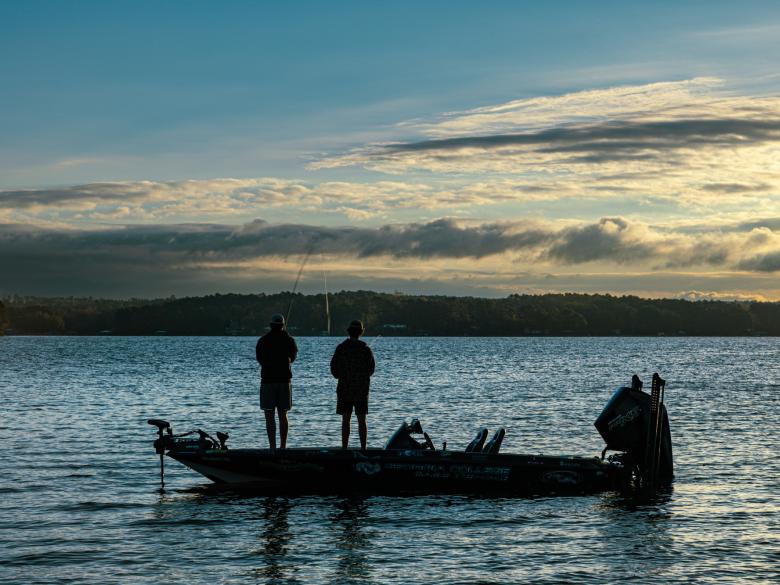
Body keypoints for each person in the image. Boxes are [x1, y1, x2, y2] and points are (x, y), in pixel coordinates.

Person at [330, 320, 375, 450]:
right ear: (361, 332)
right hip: (361, 390)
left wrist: (342, 376)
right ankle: (363, 448)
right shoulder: (366, 349)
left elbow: (333, 369)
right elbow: (371, 370)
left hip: (344, 390)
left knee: (345, 420)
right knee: (362, 421)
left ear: (349, 332)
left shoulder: (341, 348)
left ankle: (344, 448)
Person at [256, 313, 298, 449]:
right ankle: (283, 447)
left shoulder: (263, 341)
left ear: (270, 325)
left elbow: (260, 359)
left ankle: (272, 447)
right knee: (283, 414)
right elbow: (293, 357)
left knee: (269, 416)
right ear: (283, 325)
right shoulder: (289, 340)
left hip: (267, 381)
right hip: (284, 381)